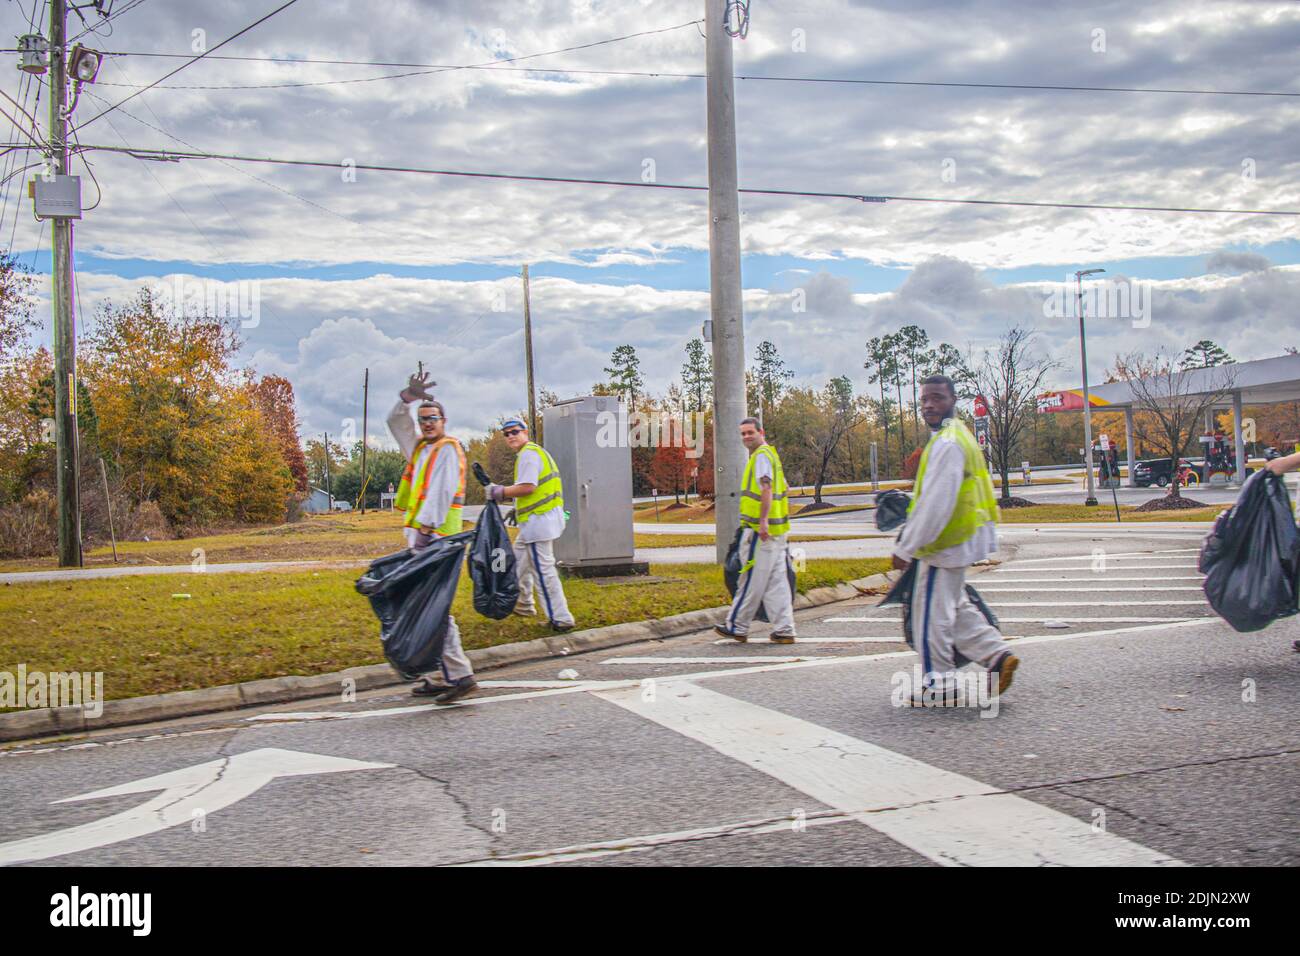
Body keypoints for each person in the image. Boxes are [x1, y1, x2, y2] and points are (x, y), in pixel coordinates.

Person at [892, 375, 1019, 704]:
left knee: (930, 615)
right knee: (954, 606)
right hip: (960, 539)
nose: (929, 405)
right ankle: (996, 656)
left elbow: (936, 504)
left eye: (937, 398)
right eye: (924, 400)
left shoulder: (947, 444)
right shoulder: (957, 436)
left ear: (953, 400)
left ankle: (940, 685)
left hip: (942, 544)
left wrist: (906, 547)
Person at [386, 372, 478, 704]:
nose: (426, 423)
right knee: (426, 604)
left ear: (444, 420)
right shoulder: (420, 448)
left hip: (437, 538)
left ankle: (459, 674)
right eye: (423, 419)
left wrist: (424, 532)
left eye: (432, 418)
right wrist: (408, 396)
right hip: (425, 538)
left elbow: (440, 493)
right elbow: (395, 421)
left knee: (434, 606)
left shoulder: (448, 449)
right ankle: (439, 674)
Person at [485, 418, 576, 632]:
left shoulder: (527, 455)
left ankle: (560, 618)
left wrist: (500, 492)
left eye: (515, 431)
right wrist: (518, 510)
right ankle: (524, 604)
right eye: (506, 434)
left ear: (525, 432)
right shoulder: (536, 452)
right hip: (538, 520)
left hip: (538, 523)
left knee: (543, 572)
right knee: (516, 563)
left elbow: (528, 487)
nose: (510, 436)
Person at [715, 417, 796, 644]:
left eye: (750, 432)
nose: (746, 437)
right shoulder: (772, 455)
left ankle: (736, 626)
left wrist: (762, 523)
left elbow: (766, 490)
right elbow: (785, 488)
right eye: (743, 434)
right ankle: (784, 630)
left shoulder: (760, 457)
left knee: (750, 580)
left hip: (760, 533)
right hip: (779, 532)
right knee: (776, 583)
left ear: (762, 432)